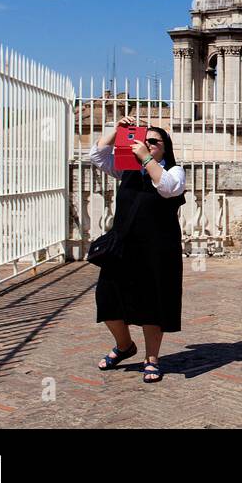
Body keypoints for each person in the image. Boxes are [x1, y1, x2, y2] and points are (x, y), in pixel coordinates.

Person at [90, 115, 187, 384]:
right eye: (144, 141)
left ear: (165, 148)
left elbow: (167, 188)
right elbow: (97, 156)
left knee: (151, 304)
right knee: (107, 299)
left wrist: (146, 159)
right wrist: (116, 131)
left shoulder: (175, 172)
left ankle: (152, 358)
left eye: (153, 142)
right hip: (123, 246)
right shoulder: (126, 169)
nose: (146, 144)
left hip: (157, 249)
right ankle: (124, 346)